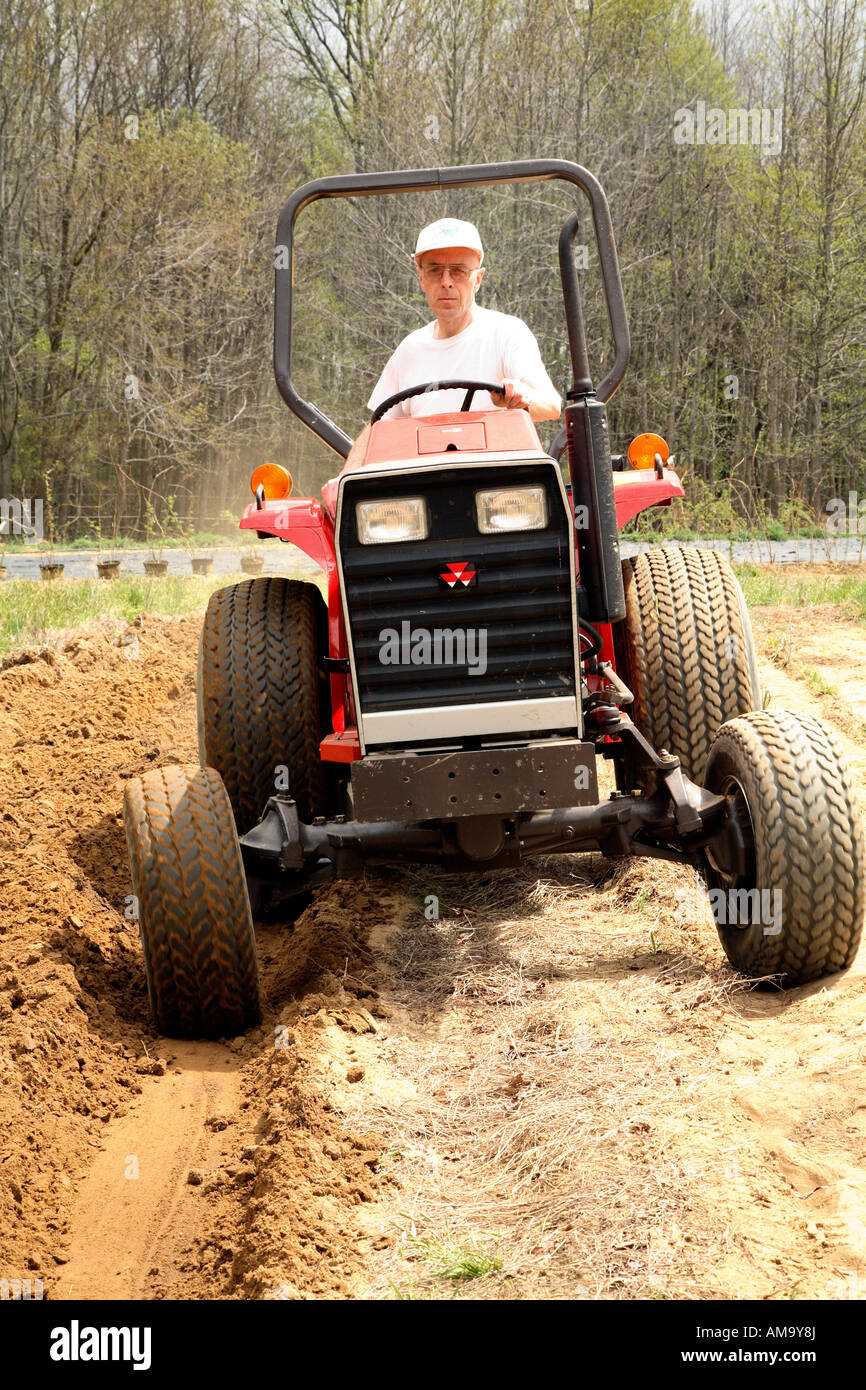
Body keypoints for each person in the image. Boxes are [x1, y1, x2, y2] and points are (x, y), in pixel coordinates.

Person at [367, 217, 561, 423]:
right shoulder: (409, 351)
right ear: (421, 278)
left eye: (459, 271)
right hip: (427, 456)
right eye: (435, 271)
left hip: (497, 455)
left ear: (477, 279)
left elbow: (550, 405)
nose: (446, 282)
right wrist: (355, 456)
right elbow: (376, 431)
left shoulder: (506, 333)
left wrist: (524, 397)